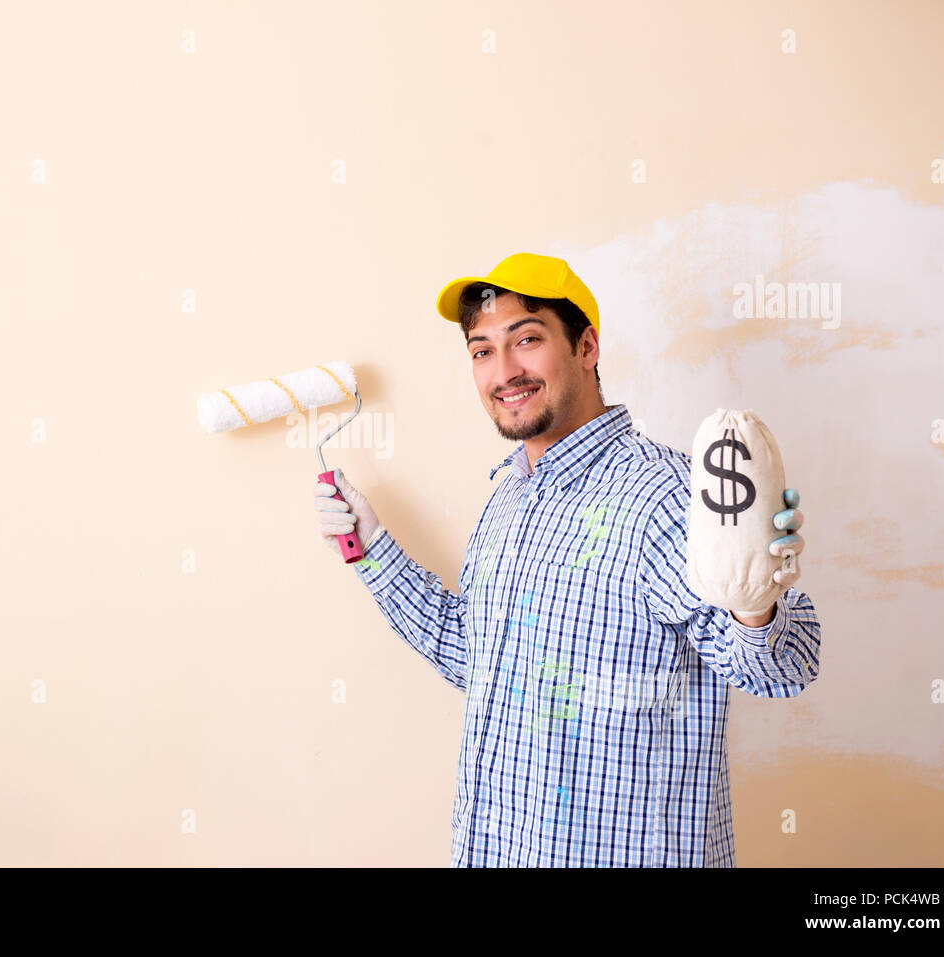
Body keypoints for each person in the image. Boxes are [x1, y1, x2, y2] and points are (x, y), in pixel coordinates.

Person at [312, 252, 821, 867]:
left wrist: (757, 603)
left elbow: (782, 670)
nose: (504, 372)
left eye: (526, 340)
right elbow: (475, 657)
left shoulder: (665, 497)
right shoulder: (508, 497)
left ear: (586, 347)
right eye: (481, 351)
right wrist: (372, 548)